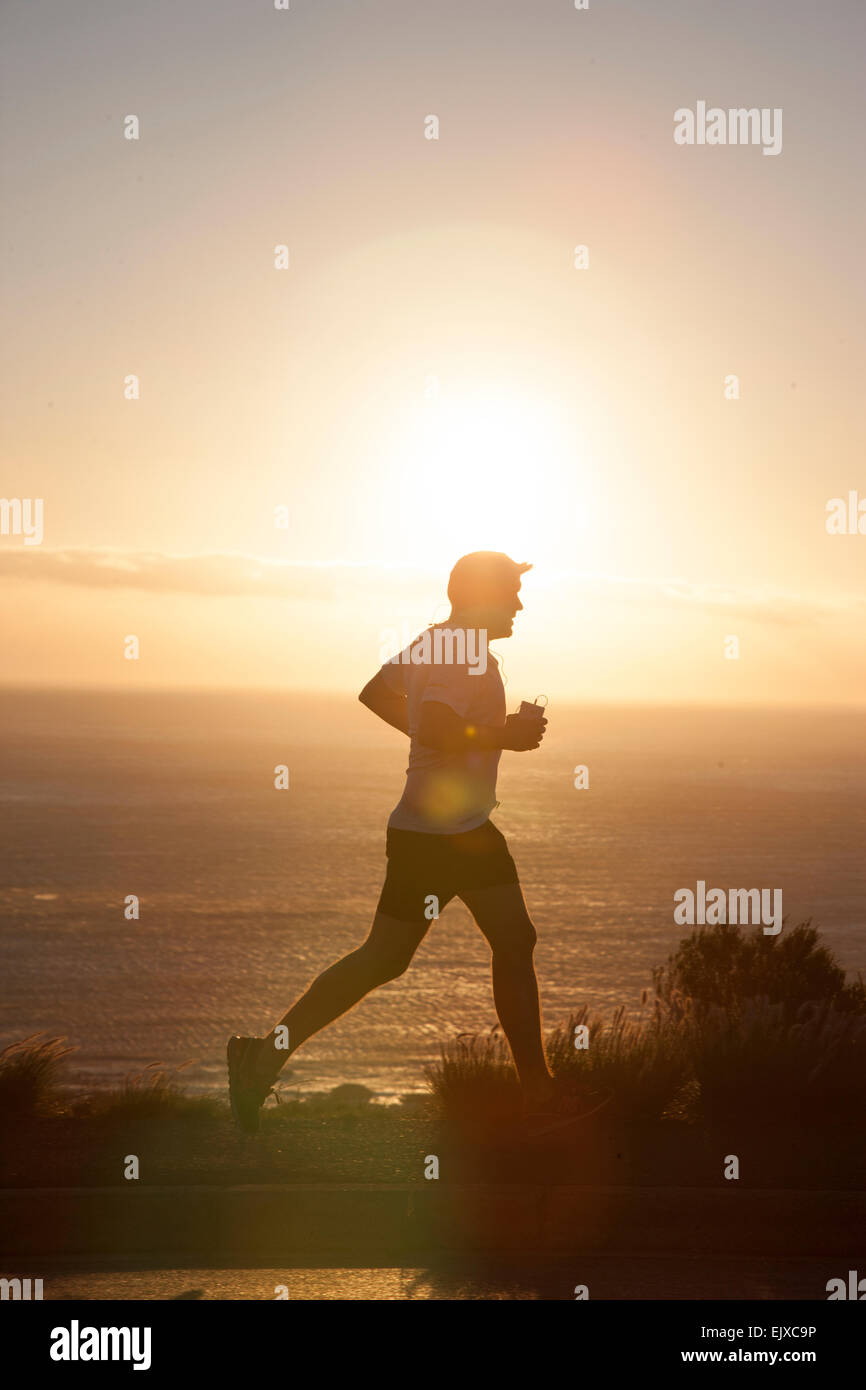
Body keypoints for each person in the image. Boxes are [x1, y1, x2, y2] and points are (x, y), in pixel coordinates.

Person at [227, 550, 555, 1133]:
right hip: (445, 836)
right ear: (479, 597)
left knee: (408, 956)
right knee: (430, 953)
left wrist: (445, 742)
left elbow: (376, 694)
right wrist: (504, 736)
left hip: (446, 829)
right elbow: (433, 726)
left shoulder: (437, 643)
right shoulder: (462, 654)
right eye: (511, 593)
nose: (520, 604)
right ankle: (539, 1096)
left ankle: (264, 1055)